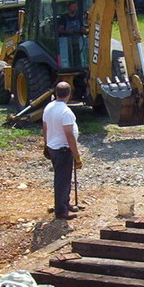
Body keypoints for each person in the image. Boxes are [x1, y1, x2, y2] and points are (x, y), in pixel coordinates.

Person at [43, 82, 83, 220]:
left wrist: (46, 144)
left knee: (65, 179)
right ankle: (61, 211)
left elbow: (45, 127)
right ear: (69, 94)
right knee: (62, 181)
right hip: (63, 150)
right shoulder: (66, 112)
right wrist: (76, 155)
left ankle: (65, 203)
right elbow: (69, 135)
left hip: (53, 147)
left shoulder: (49, 106)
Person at [58, 2, 85, 67]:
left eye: (76, 7)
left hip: (78, 42)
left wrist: (84, 30)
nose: (75, 9)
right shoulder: (63, 18)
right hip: (66, 43)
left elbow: (82, 27)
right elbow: (59, 30)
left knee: (79, 58)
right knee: (69, 58)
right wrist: (68, 31)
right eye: (73, 7)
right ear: (69, 8)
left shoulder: (78, 17)